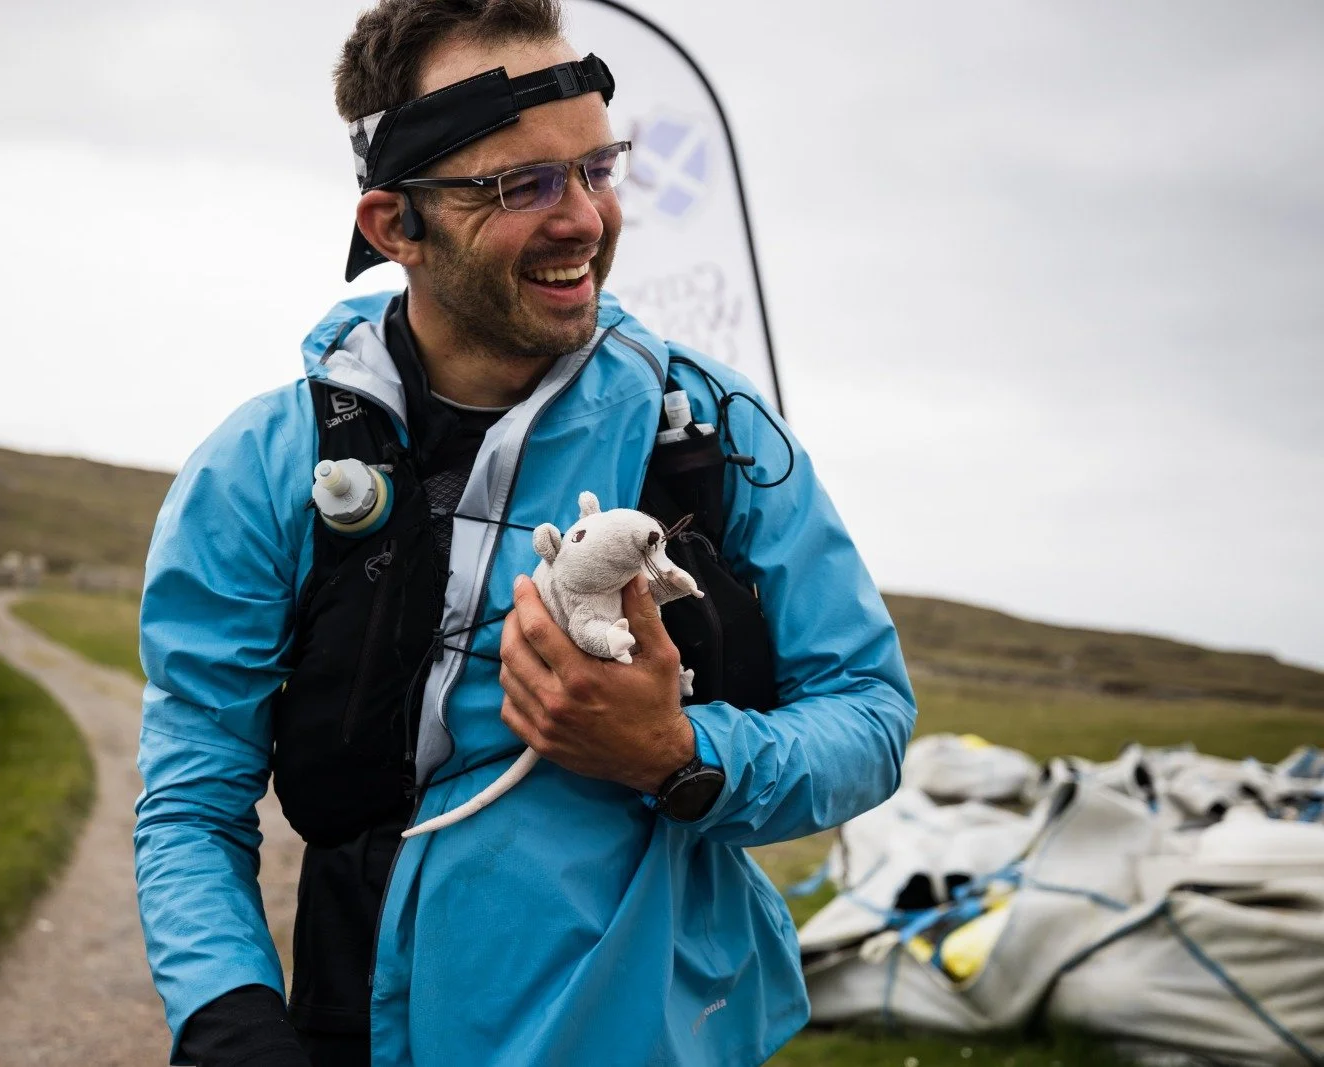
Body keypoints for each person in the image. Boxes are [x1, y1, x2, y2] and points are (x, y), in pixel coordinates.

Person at [132, 1, 917, 1065]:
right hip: (363, 1022)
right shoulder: (266, 464)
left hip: (664, 1035)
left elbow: (869, 713)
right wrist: (228, 1019)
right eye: (523, 185)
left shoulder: (712, 431)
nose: (585, 219)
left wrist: (678, 756)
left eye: (598, 168)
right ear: (393, 224)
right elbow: (191, 797)